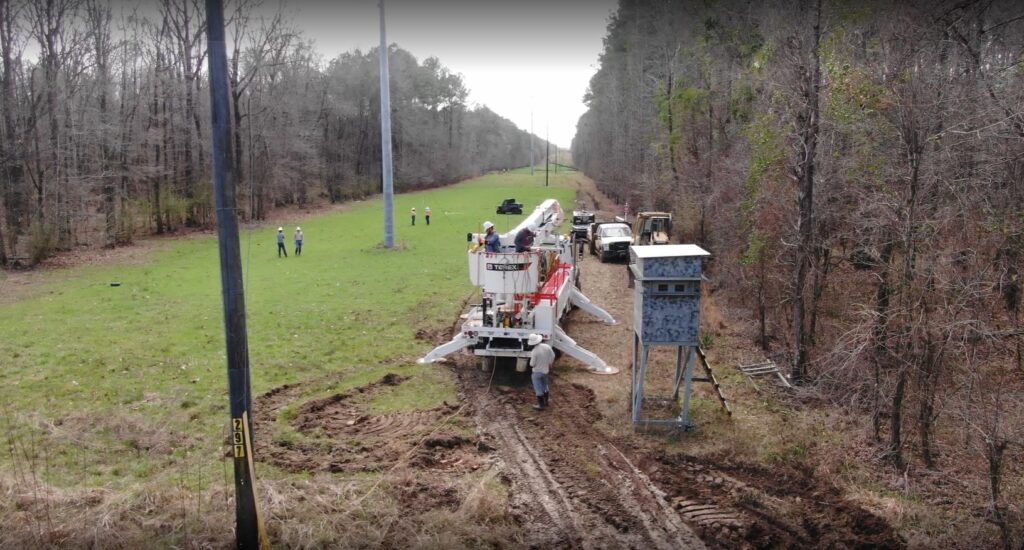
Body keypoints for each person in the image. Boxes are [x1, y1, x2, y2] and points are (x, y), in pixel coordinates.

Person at [528, 333, 554, 410]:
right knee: (545, 385)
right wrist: (550, 363)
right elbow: (552, 356)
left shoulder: (534, 352)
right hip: (546, 371)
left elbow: (532, 364)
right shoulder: (547, 346)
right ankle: (546, 401)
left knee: (538, 388)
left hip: (537, 372)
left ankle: (541, 405)